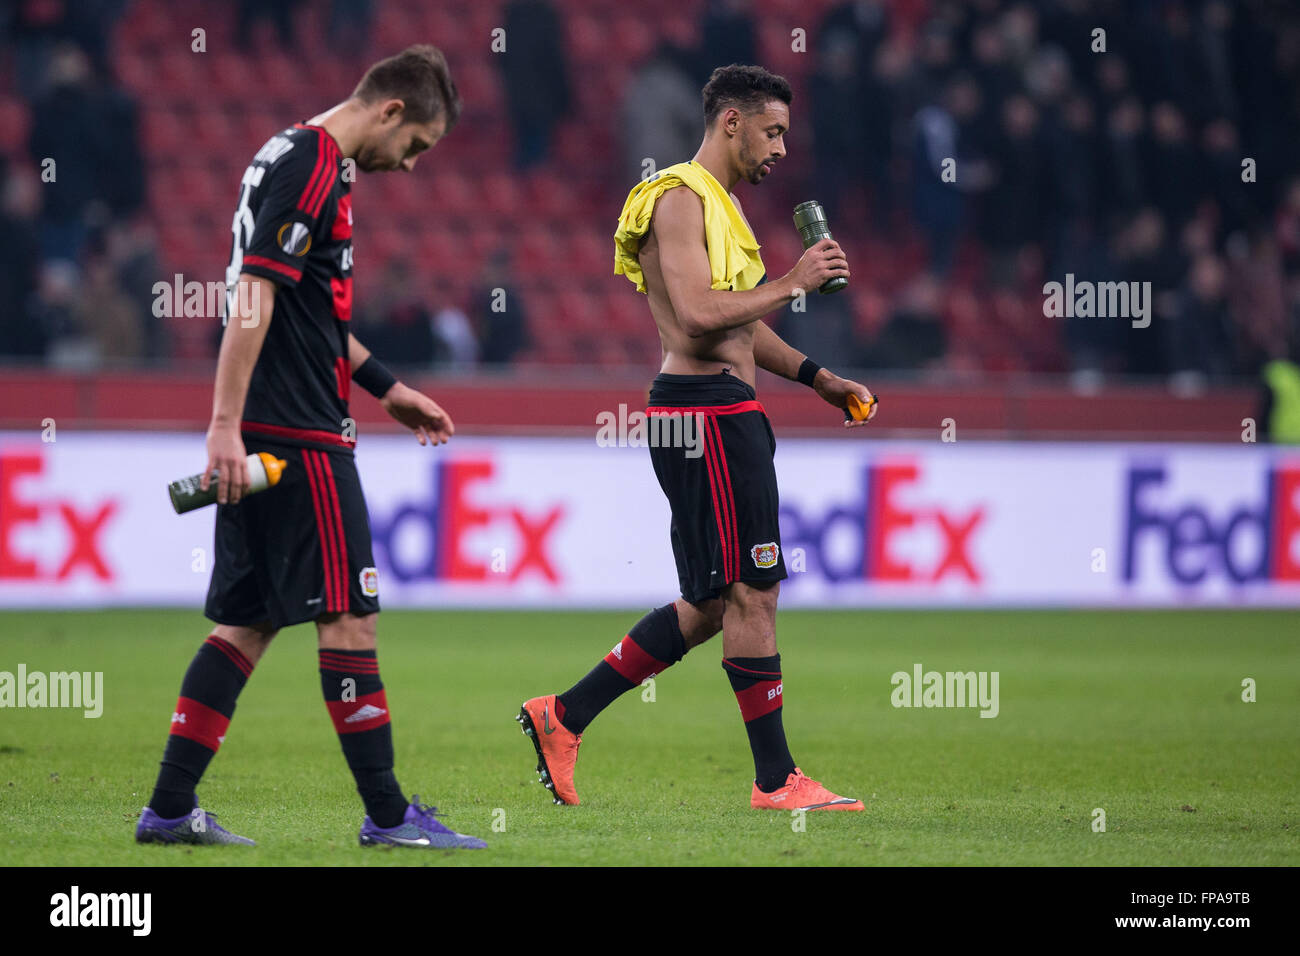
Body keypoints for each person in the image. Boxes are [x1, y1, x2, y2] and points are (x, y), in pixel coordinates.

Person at [135, 46, 486, 850]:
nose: (412, 166)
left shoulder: (293, 155)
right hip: (297, 435)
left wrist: (387, 387)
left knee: (244, 624)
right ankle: (392, 818)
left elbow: (308, 310)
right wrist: (223, 425)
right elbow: (252, 295)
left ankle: (168, 810)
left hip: (273, 425)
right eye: (418, 147)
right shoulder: (316, 166)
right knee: (351, 617)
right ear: (392, 111)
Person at [518, 64, 877, 812]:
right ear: (732, 123)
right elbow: (693, 316)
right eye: (773, 131)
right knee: (755, 589)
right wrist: (795, 280)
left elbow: (740, 327)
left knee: (716, 602)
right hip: (706, 414)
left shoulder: (717, 206)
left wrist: (817, 376)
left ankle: (564, 715)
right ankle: (777, 781)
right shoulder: (679, 198)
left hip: (720, 410)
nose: (781, 149)